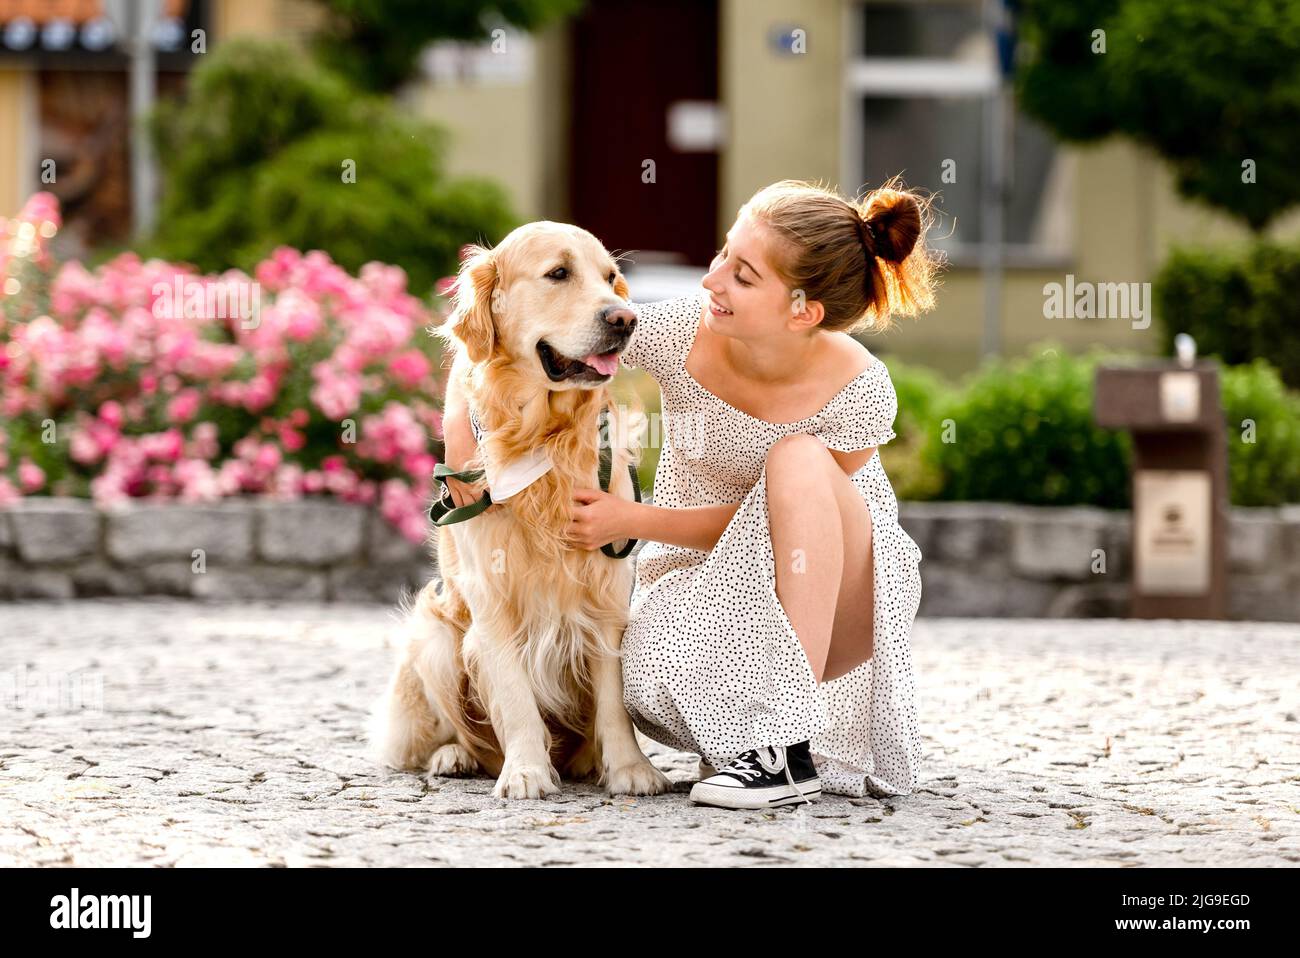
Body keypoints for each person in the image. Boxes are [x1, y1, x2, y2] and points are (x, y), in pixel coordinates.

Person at [564, 179, 940, 809]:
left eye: (742, 275)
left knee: (794, 461)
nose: (712, 281)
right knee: (643, 665)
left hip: (840, 590)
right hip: (698, 580)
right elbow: (556, 350)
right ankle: (750, 739)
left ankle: (782, 749)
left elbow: (782, 525)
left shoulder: (860, 390)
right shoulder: (680, 332)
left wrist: (632, 518)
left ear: (804, 311)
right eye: (721, 255)